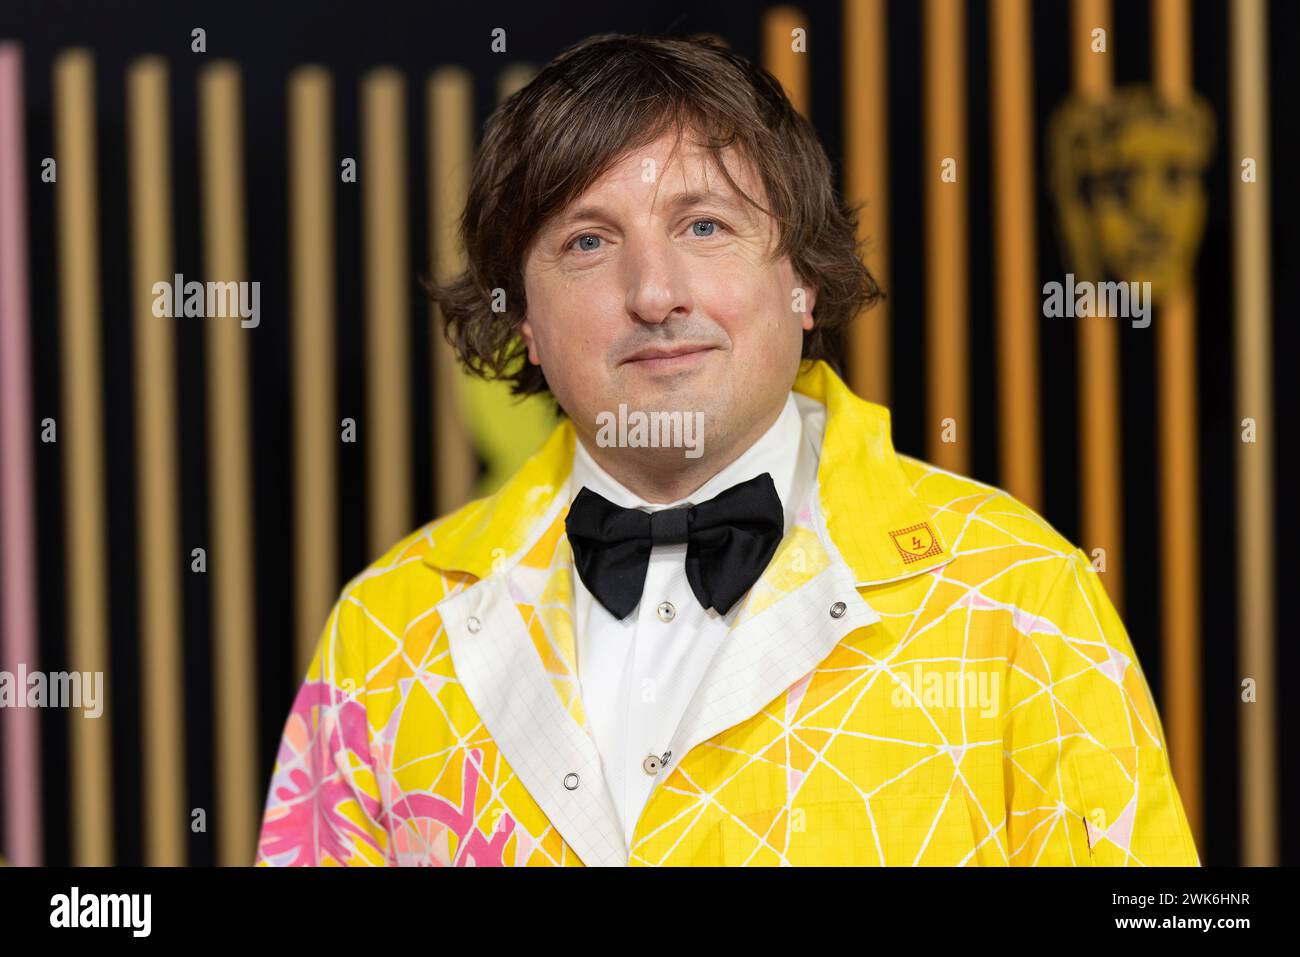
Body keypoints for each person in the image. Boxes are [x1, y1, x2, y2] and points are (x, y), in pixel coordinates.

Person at [254, 33, 1198, 867]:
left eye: (705, 226)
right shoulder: (387, 630)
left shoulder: (1015, 591)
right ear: (523, 320)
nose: (655, 291)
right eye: (587, 241)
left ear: (805, 280)